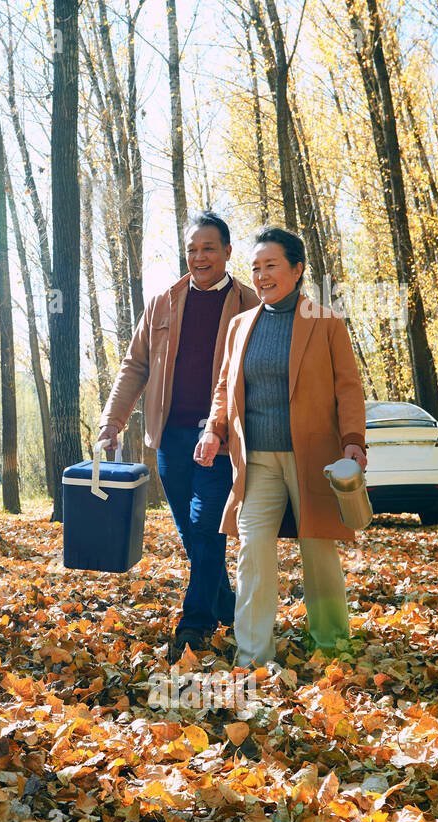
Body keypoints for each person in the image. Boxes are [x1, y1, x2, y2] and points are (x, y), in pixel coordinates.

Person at [195, 226, 367, 669]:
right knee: (253, 548)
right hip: (256, 461)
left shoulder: (324, 322)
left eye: (271, 265)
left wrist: (353, 442)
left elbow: (348, 388)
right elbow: (223, 386)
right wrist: (213, 429)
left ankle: (331, 646)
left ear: (297, 270)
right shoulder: (239, 325)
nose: (262, 275)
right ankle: (253, 656)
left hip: (313, 457)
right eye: (255, 268)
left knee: (318, 550)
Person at [97, 211, 261, 660]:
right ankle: (225, 602)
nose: (199, 257)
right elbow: (135, 365)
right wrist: (113, 419)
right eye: (192, 249)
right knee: (194, 533)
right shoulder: (163, 302)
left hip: (222, 437)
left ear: (228, 253)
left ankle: (194, 623)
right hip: (170, 437)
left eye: (209, 248)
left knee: (207, 522)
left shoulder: (249, 304)